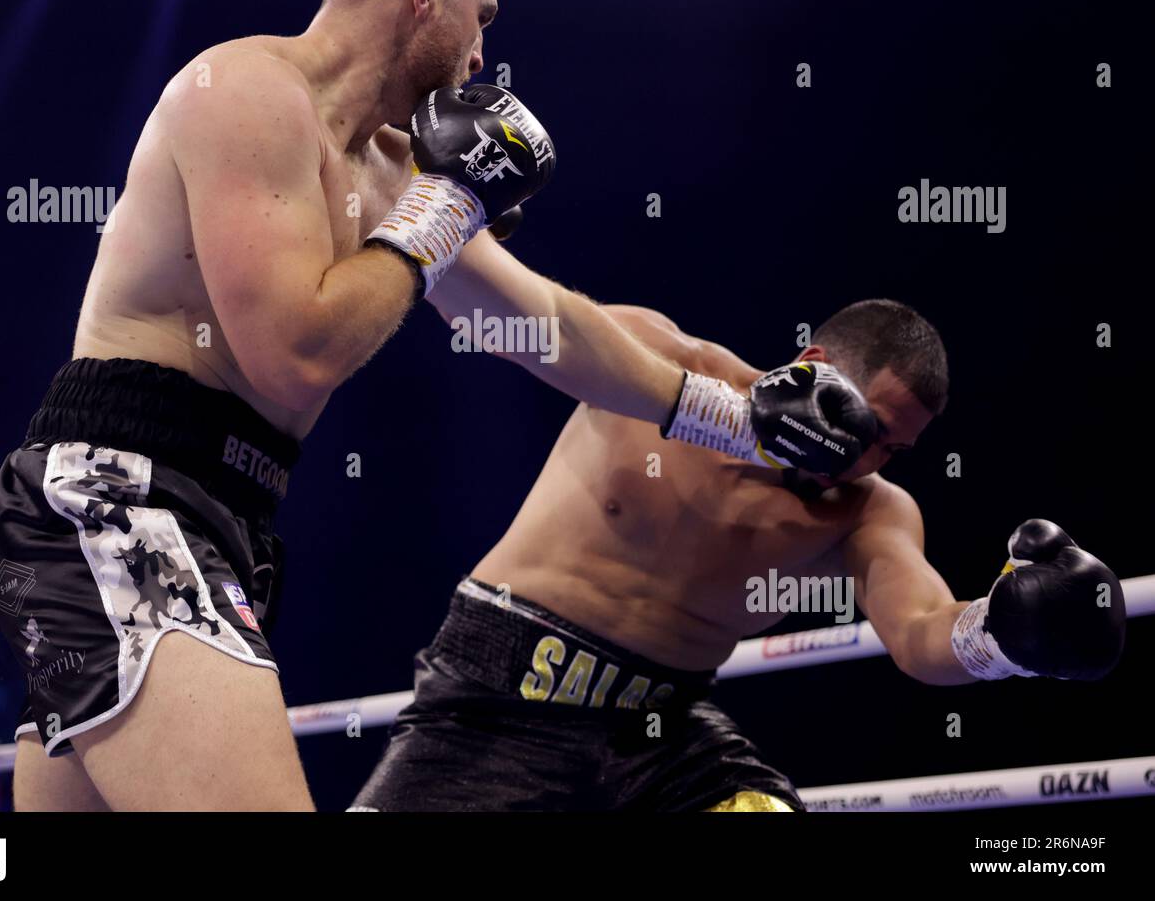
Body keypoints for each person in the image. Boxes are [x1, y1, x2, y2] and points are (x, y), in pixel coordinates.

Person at [0, 0, 875, 811]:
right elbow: (293, 351)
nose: (485, 53)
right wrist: (446, 207)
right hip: (122, 493)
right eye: (481, 18)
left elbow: (548, 323)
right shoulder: (246, 92)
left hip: (224, 515)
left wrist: (741, 424)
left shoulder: (390, 170)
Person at [350, 299, 1126, 811]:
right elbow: (516, 320)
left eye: (896, 448)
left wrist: (1000, 636)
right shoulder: (660, 358)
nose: (868, 459)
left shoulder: (868, 510)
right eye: (870, 426)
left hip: (660, 729)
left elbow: (921, 627)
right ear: (815, 362)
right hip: (496, 694)